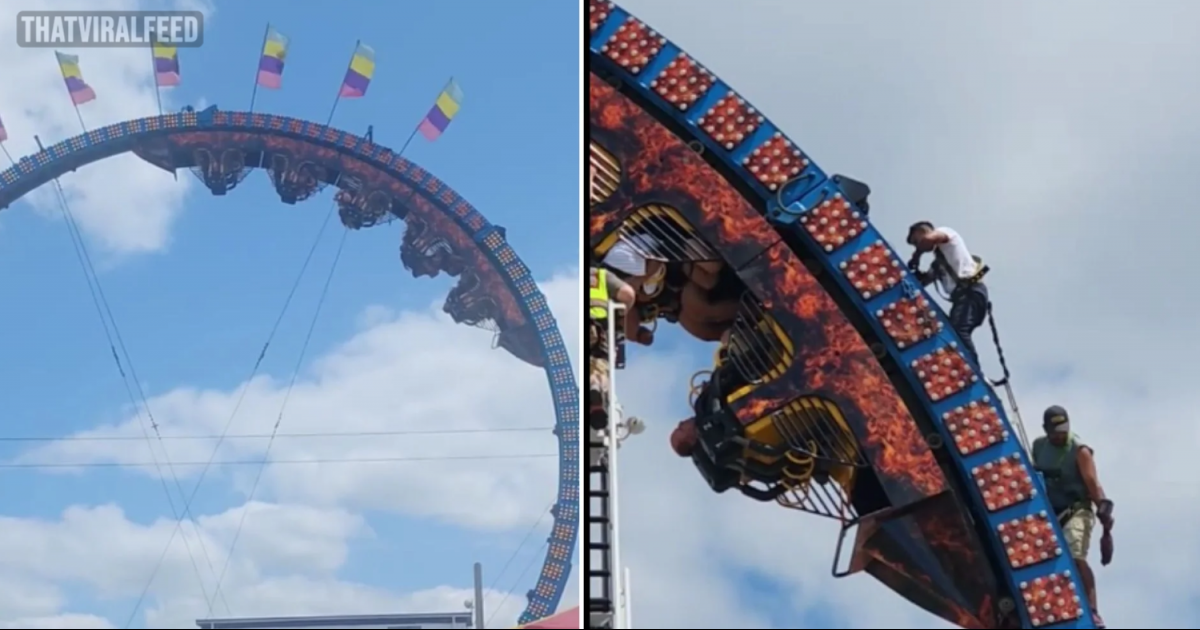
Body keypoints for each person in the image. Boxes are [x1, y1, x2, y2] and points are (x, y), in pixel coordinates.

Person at [1030, 405, 1113, 629]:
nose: (1060, 434)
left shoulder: (1079, 450)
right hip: (1052, 511)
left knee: (1075, 554)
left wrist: (1104, 515)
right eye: (1055, 430)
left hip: (1078, 509)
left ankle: (1093, 611)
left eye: (1063, 429)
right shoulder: (1039, 446)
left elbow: (1093, 485)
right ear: (1046, 429)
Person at [905, 221, 989, 359]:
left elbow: (927, 240)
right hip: (962, 298)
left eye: (915, 241)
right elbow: (923, 282)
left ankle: (974, 367)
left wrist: (916, 255)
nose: (917, 245)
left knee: (959, 331)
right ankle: (966, 362)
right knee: (953, 331)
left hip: (971, 291)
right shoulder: (937, 264)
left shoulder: (946, 233)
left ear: (922, 231)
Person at [588, 264, 650, 431]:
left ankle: (593, 390)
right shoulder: (601, 276)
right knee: (601, 365)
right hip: (600, 327)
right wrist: (619, 320)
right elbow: (628, 295)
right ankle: (596, 387)